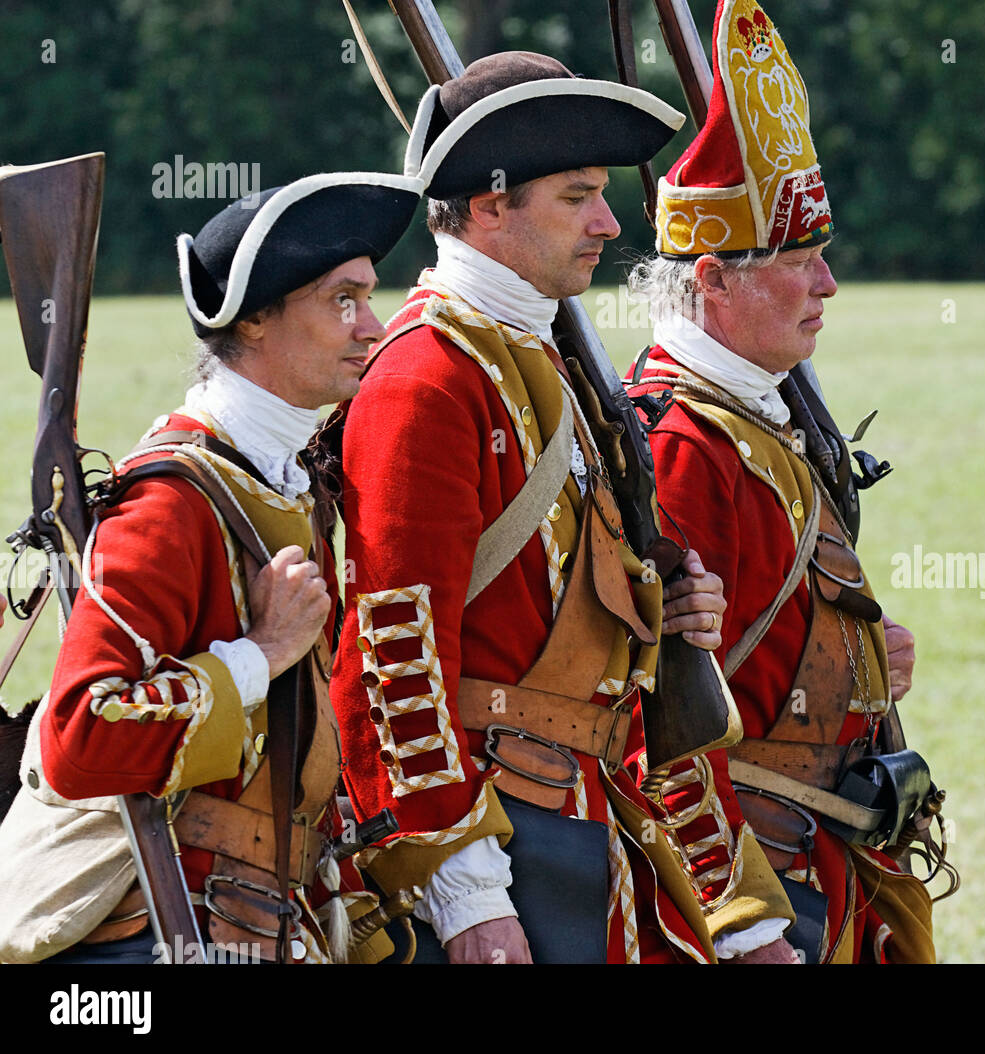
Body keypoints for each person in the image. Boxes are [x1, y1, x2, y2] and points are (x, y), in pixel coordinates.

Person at [330, 52, 796, 963]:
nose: (608, 222)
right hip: (499, 837)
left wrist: (665, 601)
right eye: (576, 195)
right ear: (491, 205)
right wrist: (464, 894)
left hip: (592, 817)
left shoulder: (547, 367)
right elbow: (395, 652)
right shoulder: (428, 377)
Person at [0, 165, 430, 964]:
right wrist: (258, 657)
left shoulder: (284, 479)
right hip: (141, 928)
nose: (374, 325)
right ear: (257, 319)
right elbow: (79, 741)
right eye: (344, 300)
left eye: (369, 297)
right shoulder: (172, 503)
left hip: (256, 907)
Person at [625, 0, 941, 964]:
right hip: (758, 873)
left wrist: (860, 659)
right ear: (709, 278)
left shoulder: (756, 409)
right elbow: (660, 724)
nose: (827, 283)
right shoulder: (677, 442)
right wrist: (743, 917)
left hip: (830, 848)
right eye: (796, 259)